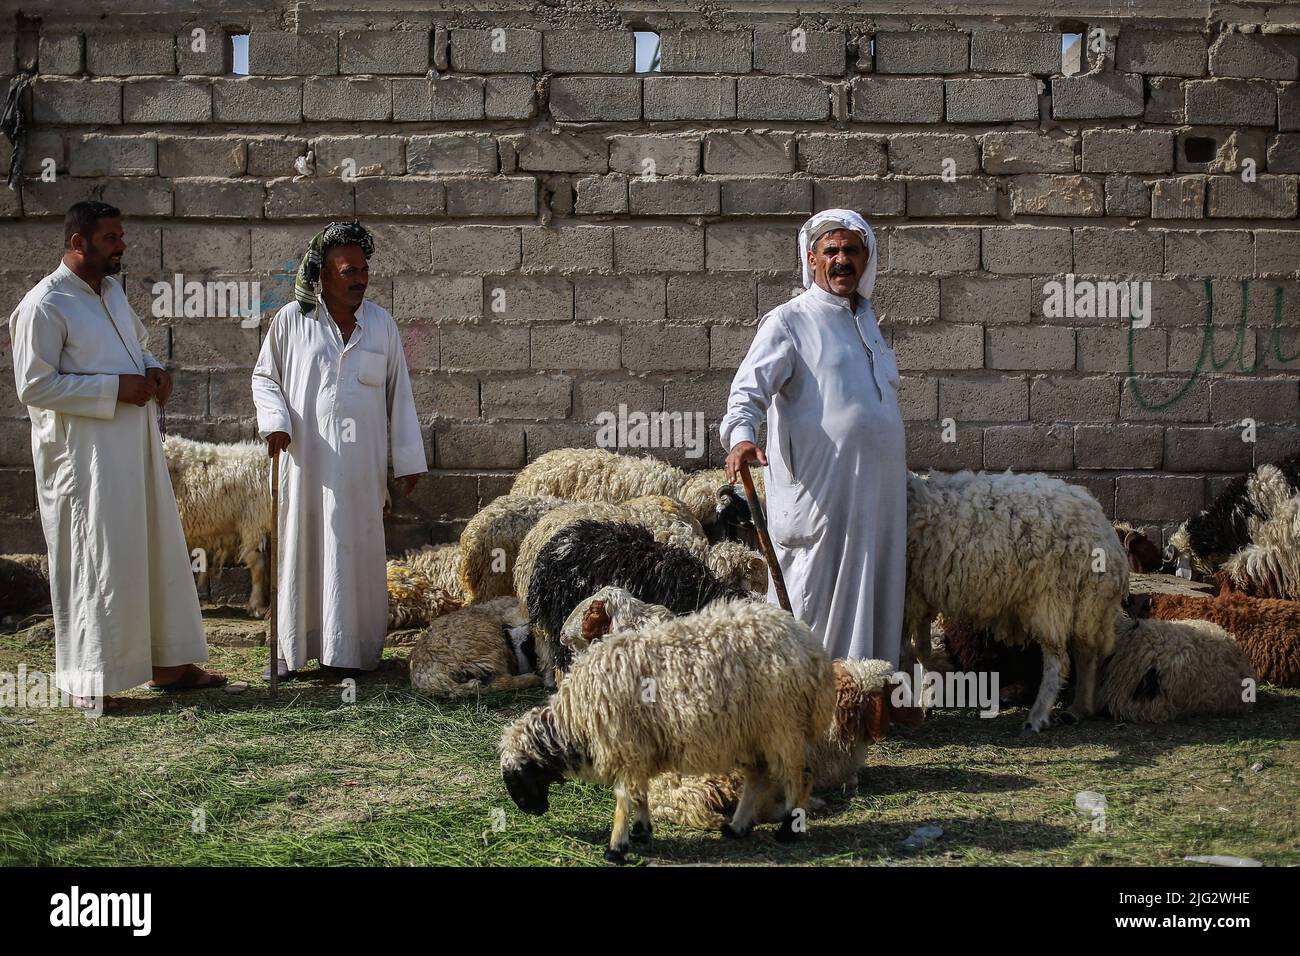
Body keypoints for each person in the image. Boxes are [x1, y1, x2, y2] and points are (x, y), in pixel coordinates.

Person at [9, 201, 225, 712]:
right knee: (96, 561)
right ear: (78, 242)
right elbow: (34, 386)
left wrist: (154, 372)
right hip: (84, 467)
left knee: (152, 551)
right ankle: (88, 678)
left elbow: (140, 346)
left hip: (136, 450)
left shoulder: (110, 293)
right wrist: (113, 389)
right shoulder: (45, 304)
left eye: (121, 236)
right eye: (110, 238)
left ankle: (167, 664)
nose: (121, 245)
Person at [721, 208, 907, 664]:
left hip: (877, 499)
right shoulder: (789, 321)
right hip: (820, 498)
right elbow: (747, 391)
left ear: (867, 259)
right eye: (831, 251)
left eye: (851, 251)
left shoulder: (868, 324)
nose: (841, 260)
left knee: (876, 592)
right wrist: (741, 437)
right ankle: (802, 707)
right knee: (810, 600)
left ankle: (864, 698)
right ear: (812, 258)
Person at [251, 220, 427, 681]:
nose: (359, 279)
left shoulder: (381, 324)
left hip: (360, 474)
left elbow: (399, 396)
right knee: (304, 553)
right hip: (308, 468)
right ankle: (295, 649)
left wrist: (406, 461)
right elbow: (264, 378)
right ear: (323, 275)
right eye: (348, 271)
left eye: (363, 270)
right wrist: (275, 423)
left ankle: (350, 655)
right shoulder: (292, 321)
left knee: (354, 554)